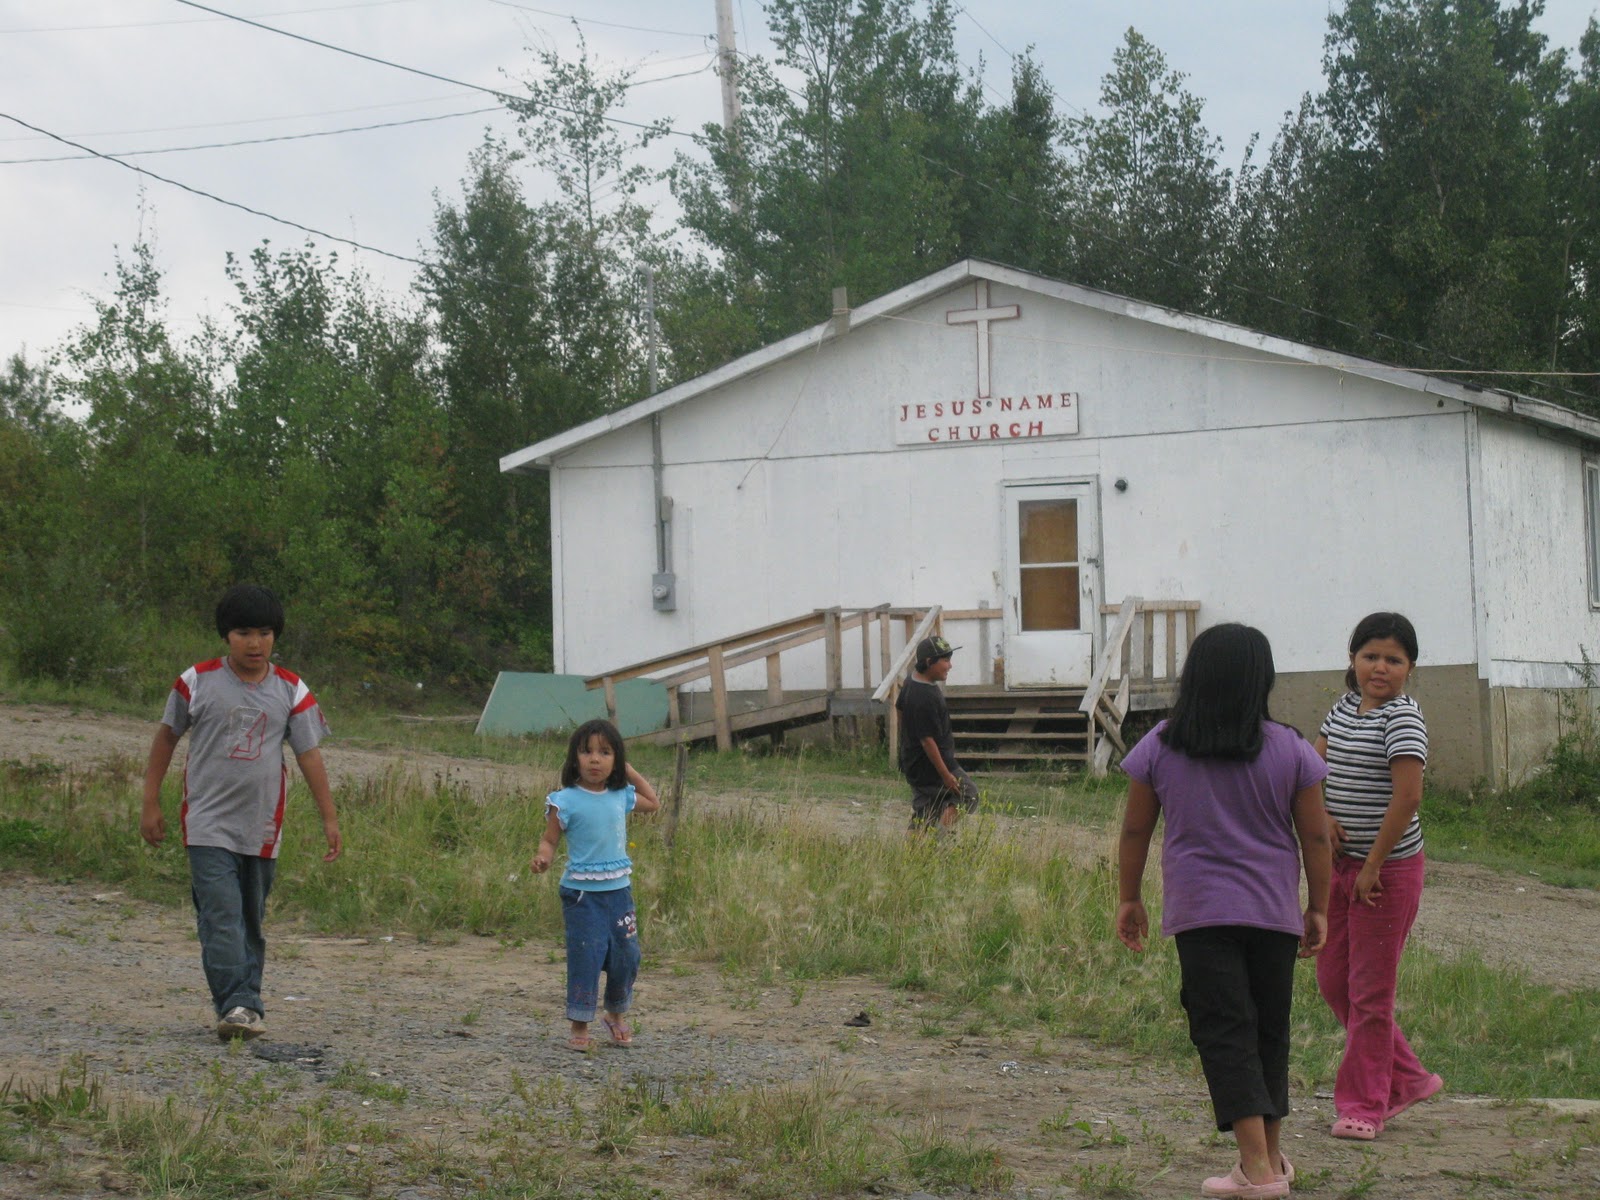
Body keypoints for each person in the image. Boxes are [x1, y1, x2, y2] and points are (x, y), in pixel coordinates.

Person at [1116, 623, 1331, 1200]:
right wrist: (1319, 908)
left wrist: (1129, 897)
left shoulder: (1161, 744)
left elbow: (1137, 828)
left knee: (1225, 1032)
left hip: (1202, 915)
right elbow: (1316, 839)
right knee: (1268, 1032)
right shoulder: (1291, 747)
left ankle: (1258, 1173)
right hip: (1273, 913)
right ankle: (1271, 1159)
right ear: (1263, 680)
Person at [140, 584, 341, 1041]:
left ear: (276, 636)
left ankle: (244, 1003)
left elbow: (310, 755)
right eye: (244, 632)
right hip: (207, 824)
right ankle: (237, 1003)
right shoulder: (196, 681)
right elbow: (166, 738)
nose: (255, 643)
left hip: (262, 827)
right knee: (221, 915)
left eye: (265, 633)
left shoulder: (292, 690)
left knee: (250, 916)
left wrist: (330, 818)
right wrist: (150, 802)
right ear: (225, 636)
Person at [1315, 612, 1442, 1141]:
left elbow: (1408, 797)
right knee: (1332, 979)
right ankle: (1409, 1077)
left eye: (1393, 659)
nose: (1380, 668)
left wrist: (1371, 867)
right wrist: (1320, 815)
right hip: (1341, 869)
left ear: (1410, 667)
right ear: (1352, 658)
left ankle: (1366, 1105)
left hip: (1384, 876)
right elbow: (1311, 771)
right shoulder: (1343, 709)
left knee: (1370, 994)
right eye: (1371, 656)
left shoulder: (1403, 719)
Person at [531, 719, 660, 1052]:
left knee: (626, 956)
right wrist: (543, 858)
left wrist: (630, 771)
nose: (595, 759)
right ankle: (579, 1024)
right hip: (581, 895)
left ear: (616, 759)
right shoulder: (565, 800)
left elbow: (653, 802)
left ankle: (615, 1015)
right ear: (574, 758)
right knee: (586, 957)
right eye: (586, 751)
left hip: (619, 893)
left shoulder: (620, 795)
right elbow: (549, 840)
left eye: (605, 752)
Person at [895, 634, 979, 831]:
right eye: (946, 660)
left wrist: (907, 740)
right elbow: (927, 741)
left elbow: (899, 708)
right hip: (931, 765)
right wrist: (946, 775)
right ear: (928, 662)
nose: (950, 666)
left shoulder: (912, 681)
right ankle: (939, 840)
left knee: (926, 810)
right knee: (968, 795)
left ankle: (914, 854)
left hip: (917, 761)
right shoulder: (923, 696)